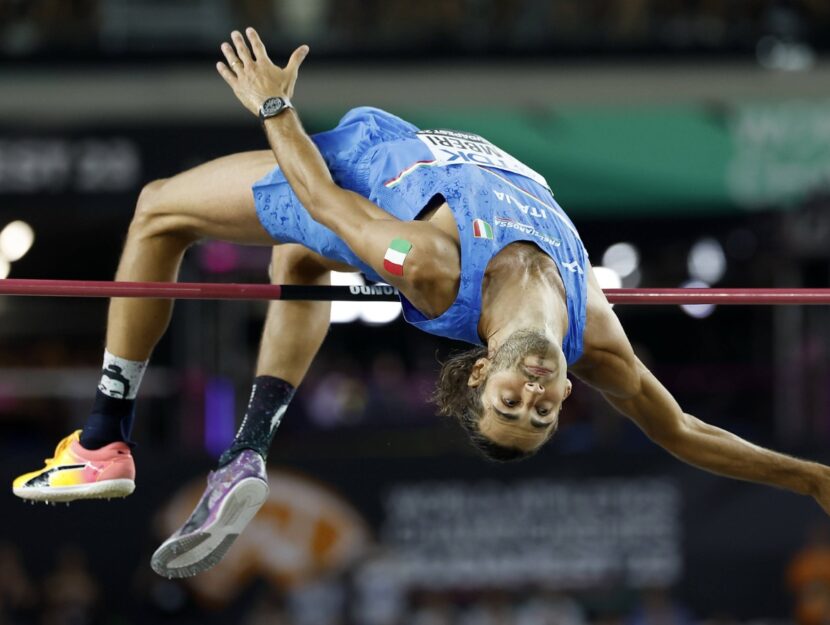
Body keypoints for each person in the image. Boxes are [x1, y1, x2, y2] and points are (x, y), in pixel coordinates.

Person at [12, 29, 830, 579]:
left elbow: (330, 204)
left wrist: (273, 104)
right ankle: (248, 449)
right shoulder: (597, 335)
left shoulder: (435, 270)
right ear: (567, 396)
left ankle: (104, 440)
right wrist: (812, 479)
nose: (534, 397)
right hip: (410, 150)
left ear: (479, 378)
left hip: (357, 175)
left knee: (161, 208)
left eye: (512, 405)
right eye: (541, 413)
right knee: (306, 257)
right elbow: (684, 430)